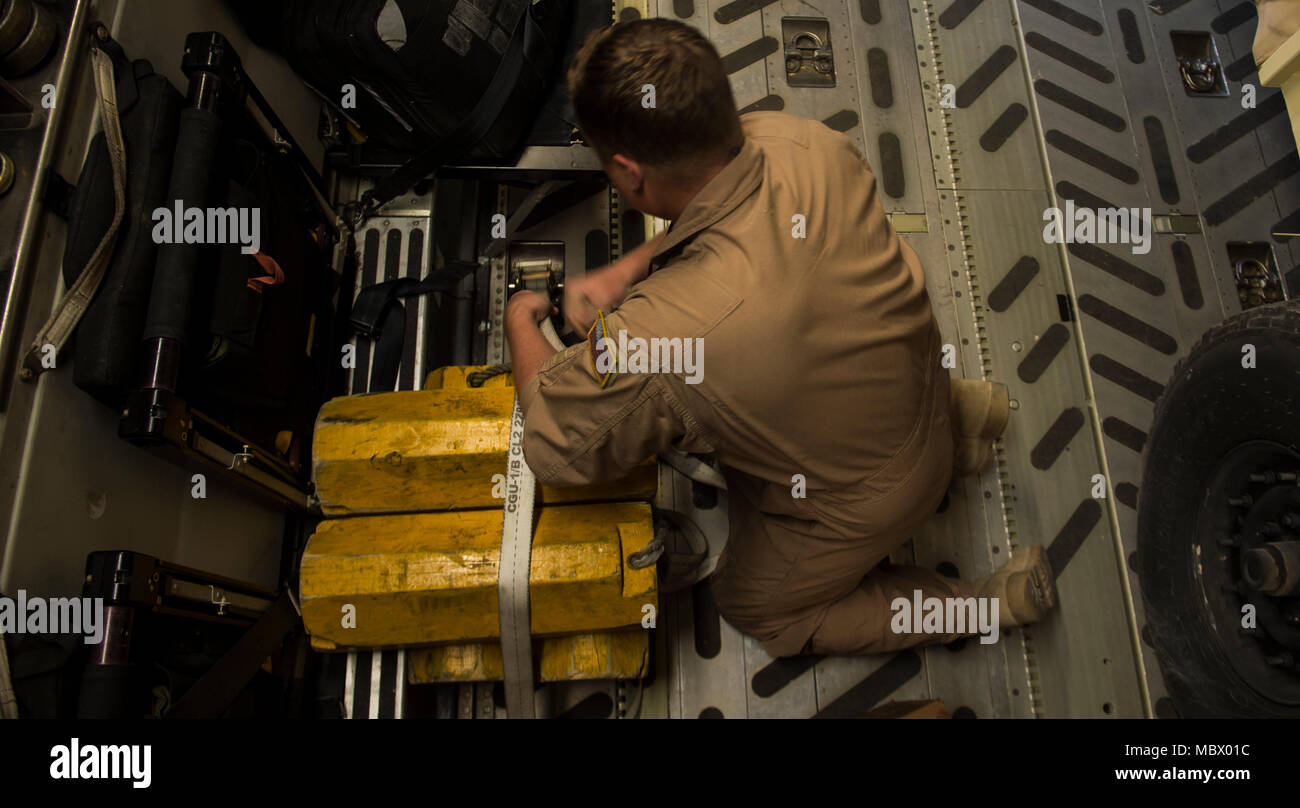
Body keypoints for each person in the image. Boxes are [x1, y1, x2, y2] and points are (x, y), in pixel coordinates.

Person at [503, 18, 1056, 657]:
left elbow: (554, 445)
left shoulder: (661, 341)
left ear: (629, 173)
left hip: (872, 494)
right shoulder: (801, 140)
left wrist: (522, 316)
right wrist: (629, 271)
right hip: (914, 382)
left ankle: (984, 605)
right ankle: (963, 421)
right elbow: (720, 213)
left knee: (760, 609)